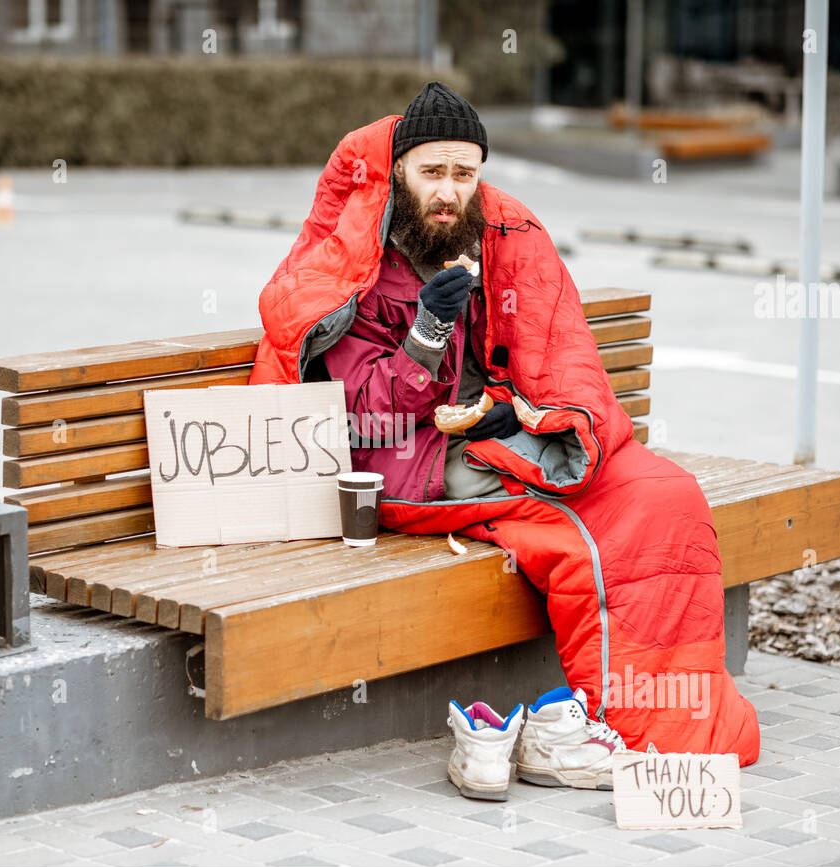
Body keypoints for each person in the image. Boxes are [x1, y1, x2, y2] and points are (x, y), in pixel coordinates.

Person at [251, 82, 760, 789]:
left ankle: (685, 727)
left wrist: (511, 409)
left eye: (466, 173)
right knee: (585, 532)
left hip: (485, 441)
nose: (450, 191)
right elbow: (366, 415)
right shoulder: (353, 272)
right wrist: (426, 331)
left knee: (664, 491)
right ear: (398, 174)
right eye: (433, 171)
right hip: (403, 463)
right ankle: (633, 729)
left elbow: (554, 350)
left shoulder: (494, 240)